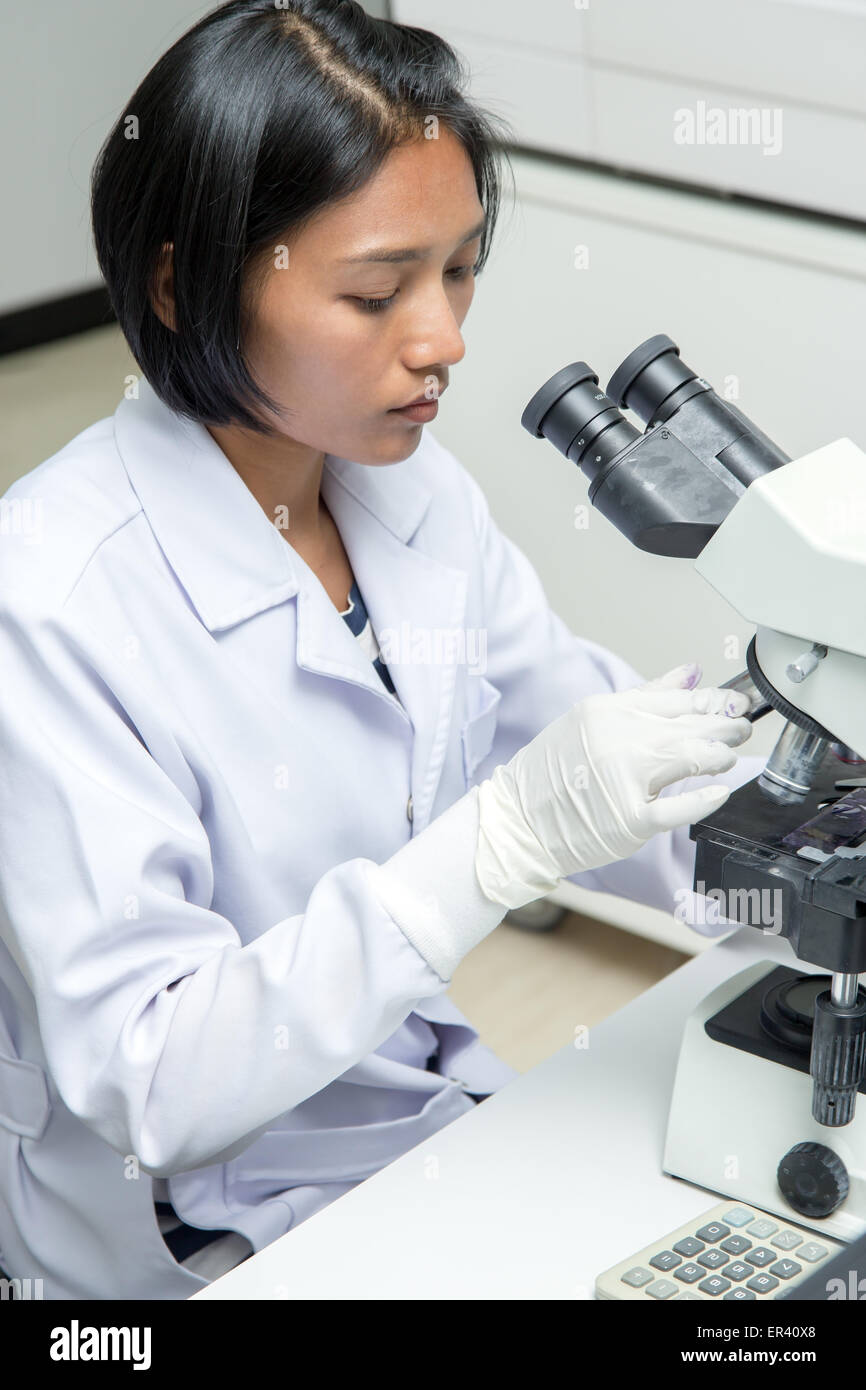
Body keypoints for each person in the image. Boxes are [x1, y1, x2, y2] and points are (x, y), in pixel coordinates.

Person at [0, 0, 762, 1300]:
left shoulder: (411, 496)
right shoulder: (50, 601)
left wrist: (780, 844)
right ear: (184, 283)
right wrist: (491, 846)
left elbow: (602, 761)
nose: (443, 339)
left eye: (458, 269)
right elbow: (155, 1080)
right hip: (194, 1230)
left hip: (421, 1112)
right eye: (374, 290)